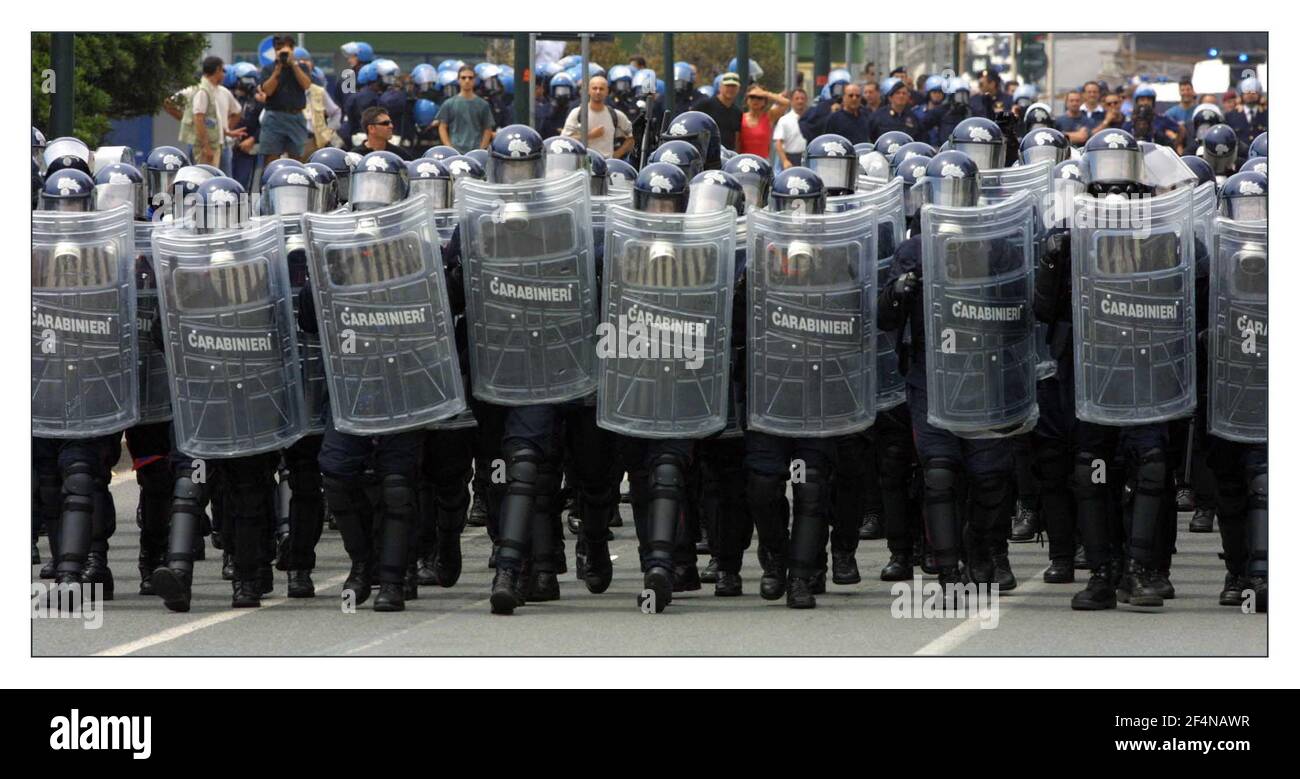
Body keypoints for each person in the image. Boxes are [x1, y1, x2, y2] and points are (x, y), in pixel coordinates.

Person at [259, 34, 314, 161]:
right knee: (271, 157)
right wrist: (278, 69)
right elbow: (268, 90)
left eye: (288, 47)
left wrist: (294, 64)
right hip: (274, 117)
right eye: (279, 48)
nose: (283, 51)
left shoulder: (302, 67)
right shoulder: (268, 69)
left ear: (293, 49)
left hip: (296, 116)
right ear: (275, 50)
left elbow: (306, 85)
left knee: (298, 158)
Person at [181, 57, 244, 168]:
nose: (224, 75)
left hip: (217, 143)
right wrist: (206, 147)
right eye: (222, 71)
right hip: (206, 146)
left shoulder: (218, 91)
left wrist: (226, 132)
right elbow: (198, 119)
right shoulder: (202, 91)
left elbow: (213, 120)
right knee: (205, 178)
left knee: (222, 179)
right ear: (217, 70)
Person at [561, 75, 634, 159]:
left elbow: (633, 136)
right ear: (588, 90)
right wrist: (589, 135)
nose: (598, 92)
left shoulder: (615, 115)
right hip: (583, 165)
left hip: (607, 166)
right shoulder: (577, 113)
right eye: (594, 88)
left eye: (601, 89)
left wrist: (617, 154)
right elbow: (564, 140)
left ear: (607, 91)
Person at [438, 65, 495, 153]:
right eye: (463, 77)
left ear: (474, 80)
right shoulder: (449, 103)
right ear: (458, 80)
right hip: (455, 152)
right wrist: (449, 148)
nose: (467, 80)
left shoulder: (483, 104)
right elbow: (442, 127)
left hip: (476, 151)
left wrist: (481, 150)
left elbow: (487, 129)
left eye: (470, 78)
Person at [693, 72, 743, 150]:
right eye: (727, 86)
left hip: (727, 156)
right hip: (706, 154)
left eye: (733, 86)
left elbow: (736, 138)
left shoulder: (737, 112)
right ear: (720, 87)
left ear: (738, 89)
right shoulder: (705, 104)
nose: (730, 89)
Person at [737, 84, 789, 158]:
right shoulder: (740, 117)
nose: (756, 100)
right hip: (743, 162)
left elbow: (786, 103)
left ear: (764, 101)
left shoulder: (769, 116)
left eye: (759, 97)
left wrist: (765, 93)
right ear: (747, 99)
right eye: (752, 97)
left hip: (762, 162)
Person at [867, 78, 924, 142]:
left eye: (904, 93)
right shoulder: (877, 116)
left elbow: (919, 139)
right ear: (890, 97)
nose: (901, 96)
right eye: (897, 93)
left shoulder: (913, 117)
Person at [774, 87, 808, 168]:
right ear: (791, 101)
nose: (800, 101)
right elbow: (778, 143)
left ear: (806, 100)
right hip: (791, 159)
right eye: (797, 98)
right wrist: (785, 161)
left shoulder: (812, 118)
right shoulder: (784, 120)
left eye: (802, 98)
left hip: (808, 158)